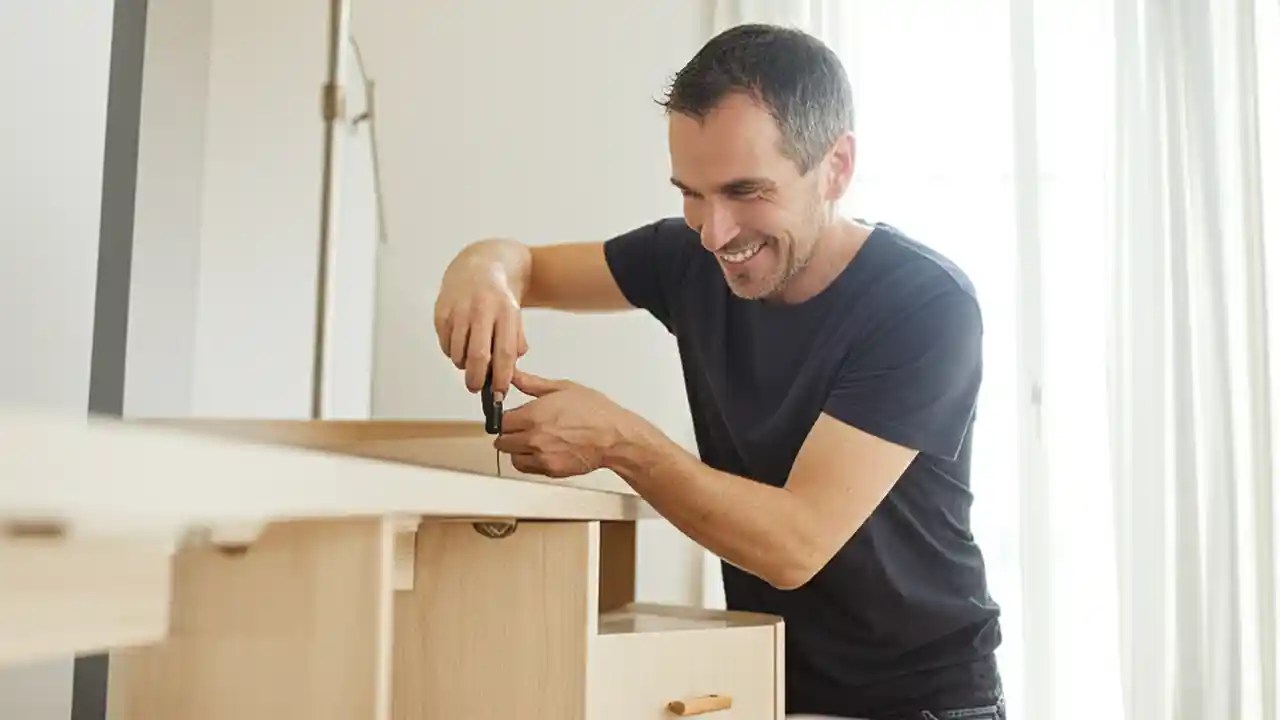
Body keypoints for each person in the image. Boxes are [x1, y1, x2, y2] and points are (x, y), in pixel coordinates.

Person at [431, 23, 1005, 720]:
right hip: (770, 686)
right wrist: (481, 274)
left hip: (923, 701)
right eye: (691, 194)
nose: (715, 232)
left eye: (746, 191)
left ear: (836, 167)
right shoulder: (687, 260)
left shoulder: (923, 306)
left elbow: (797, 544)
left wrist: (620, 443)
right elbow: (520, 262)